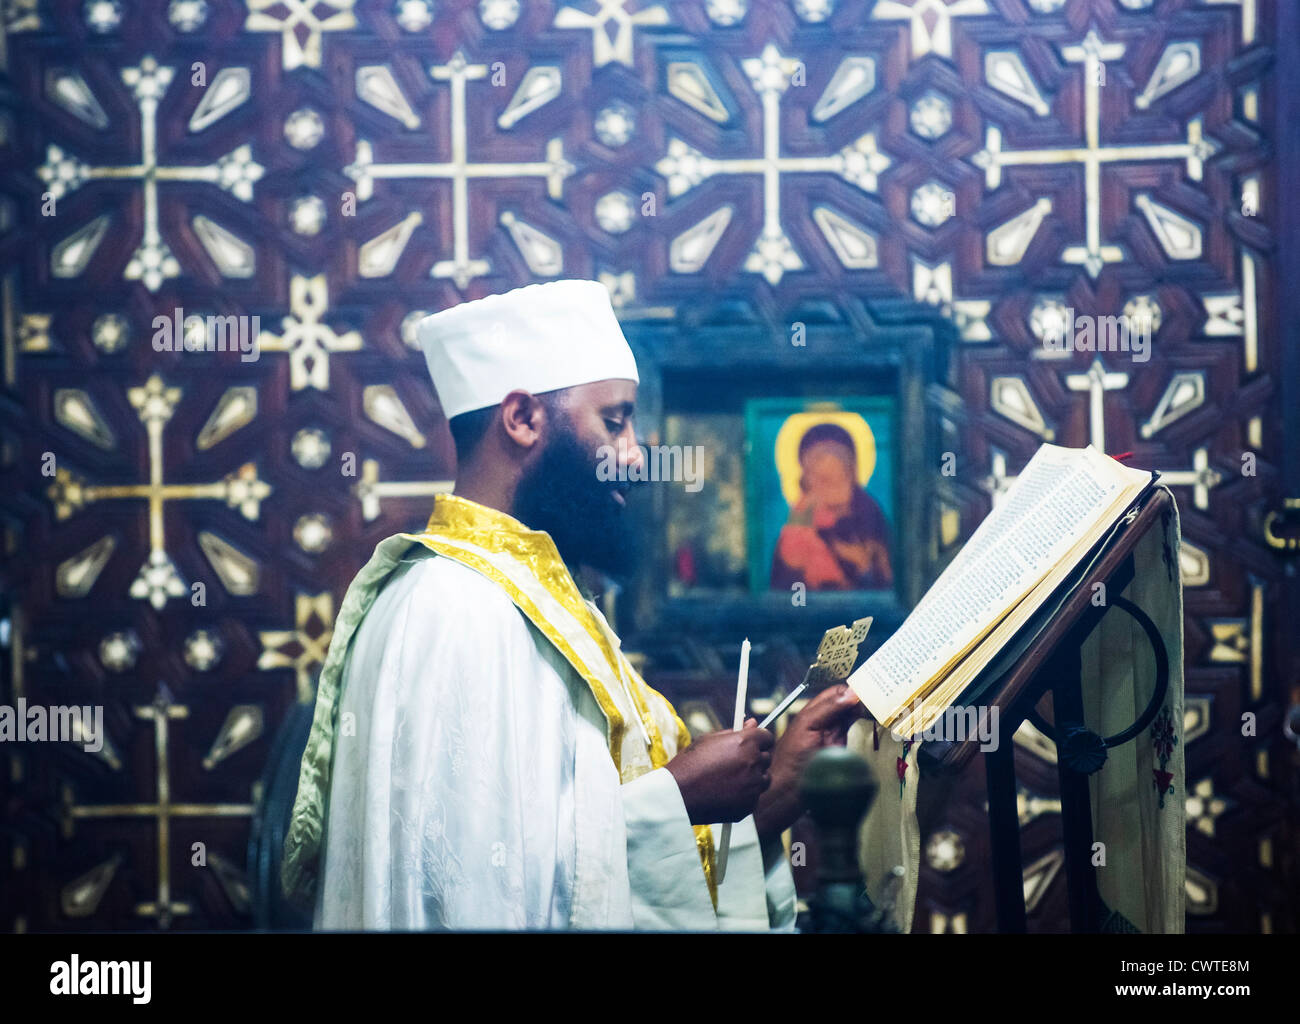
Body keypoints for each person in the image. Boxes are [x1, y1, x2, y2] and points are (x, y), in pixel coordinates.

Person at [281, 280, 864, 930]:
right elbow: (470, 893)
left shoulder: (548, 604)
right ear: (524, 418)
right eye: (613, 421)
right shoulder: (451, 606)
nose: (636, 454)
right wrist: (678, 795)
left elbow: (590, 869)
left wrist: (777, 790)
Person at [770, 422, 894, 591]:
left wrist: (863, 564)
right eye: (822, 477)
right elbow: (788, 569)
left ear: (851, 470)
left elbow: (887, 576)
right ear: (806, 476)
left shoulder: (869, 511)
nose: (832, 485)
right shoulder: (802, 513)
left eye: (839, 471)